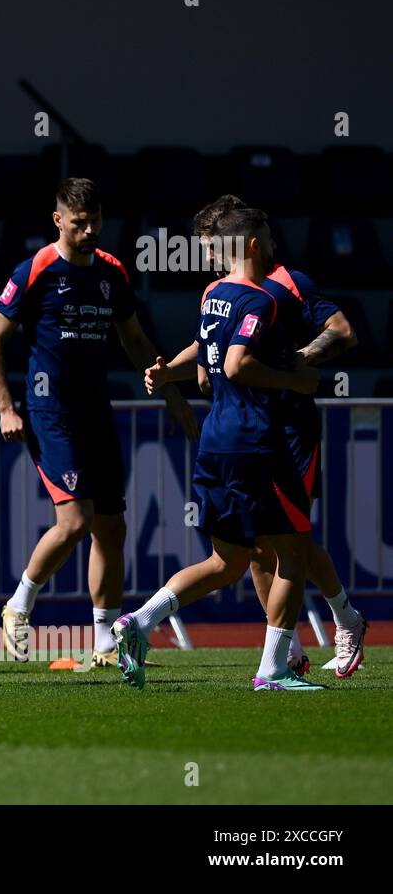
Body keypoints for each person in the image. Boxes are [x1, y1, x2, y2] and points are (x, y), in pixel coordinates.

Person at [0, 179, 197, 667]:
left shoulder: (112, 271)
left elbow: (136, 342)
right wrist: (6, 408)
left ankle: (103, 643)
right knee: (74, 520)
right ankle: (19, 605)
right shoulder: (34, 269)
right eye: (80, 223)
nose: (90, 230)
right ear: (58, 221)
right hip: (50, 411)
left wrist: (173, 398)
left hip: (97, 410)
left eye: (96, 221)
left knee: (111, 528)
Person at [145, 194, 366, 677]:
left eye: (210, 245)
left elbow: (342, 330)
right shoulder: (222, 289)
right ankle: (283, 655)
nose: (207, 255)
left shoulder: (290, 283)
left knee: (291, 542)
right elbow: (209, 350)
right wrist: (173, 374)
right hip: (248, 433)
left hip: (289, 430)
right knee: (261, 550)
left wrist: (299, 360)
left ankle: (345, 620)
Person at [115, 208, 322, 690]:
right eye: (267, 235)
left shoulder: (213, 294)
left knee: (226, 561)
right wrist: (296, 380)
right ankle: (273, 671)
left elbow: (205, 365)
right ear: (252, 244)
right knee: (293, 551)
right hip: (256, 441)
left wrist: (168, 373)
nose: (273, 243)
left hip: (215, 441)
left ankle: (139, 622)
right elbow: (234, 364)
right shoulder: (262, 299)